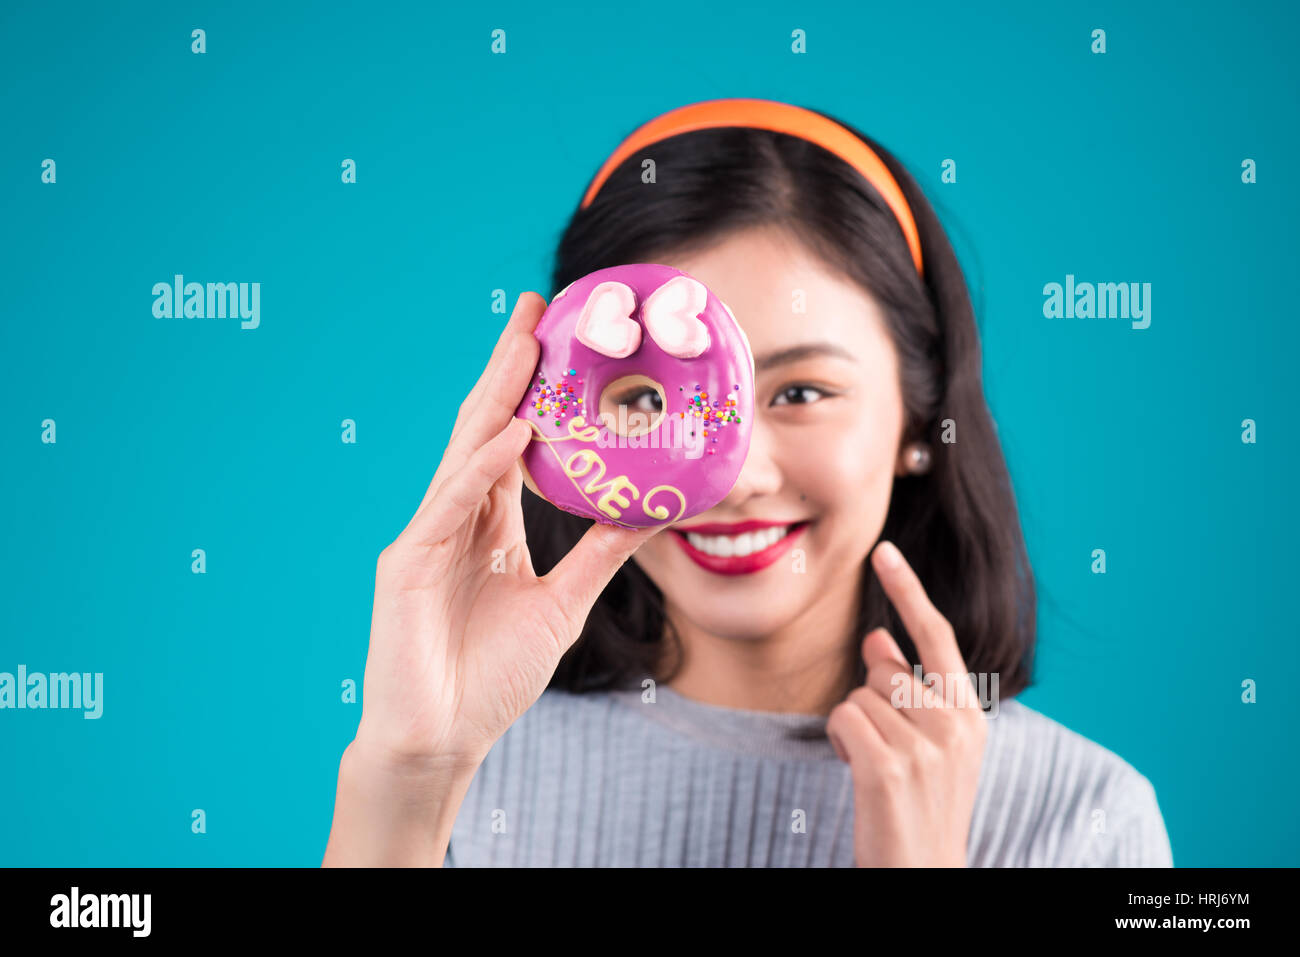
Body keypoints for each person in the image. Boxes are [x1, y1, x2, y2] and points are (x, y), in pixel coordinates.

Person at [321, 98, 1174, 867]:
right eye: (647, 398)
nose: (735, 476)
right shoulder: (471, 769)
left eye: (801, 393)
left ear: (919, 420)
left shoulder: (1088, 817)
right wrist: (408, 777)